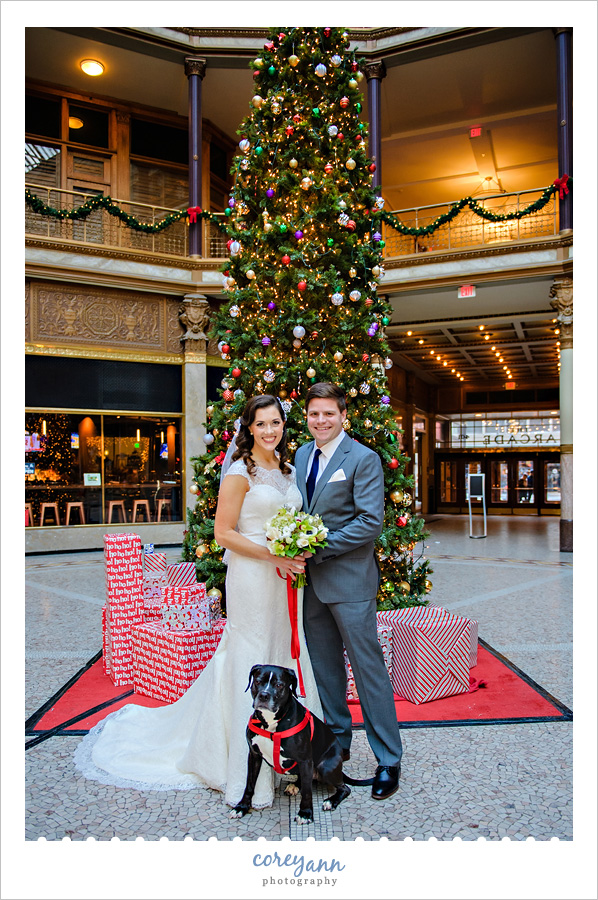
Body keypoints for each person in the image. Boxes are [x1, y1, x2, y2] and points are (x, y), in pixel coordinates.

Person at [74, 395, 322, 810]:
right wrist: (273, 555)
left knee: (284, 647)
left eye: (275, 423)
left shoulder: (289, 469)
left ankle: (290, 753)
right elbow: (224, 533)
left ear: (284, 425)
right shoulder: (240, 472)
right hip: (253, 575)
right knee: (251, 651)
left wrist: (298, 545)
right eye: (261, 424)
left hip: (286, 580)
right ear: (249, 428)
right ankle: (242, 766)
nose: (269, 431)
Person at [295, 383, 403, 800]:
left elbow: (369, 522)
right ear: (306, 417)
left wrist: (316, 546)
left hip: (351, 582)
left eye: (329, 413)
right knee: (326, 671)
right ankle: (337, 744)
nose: (320, 420)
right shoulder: (301, 455)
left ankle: (388, 759)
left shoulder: (363, 458)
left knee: (368, 669)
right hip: (310, 586)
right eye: (314, 414)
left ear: (343, 415)